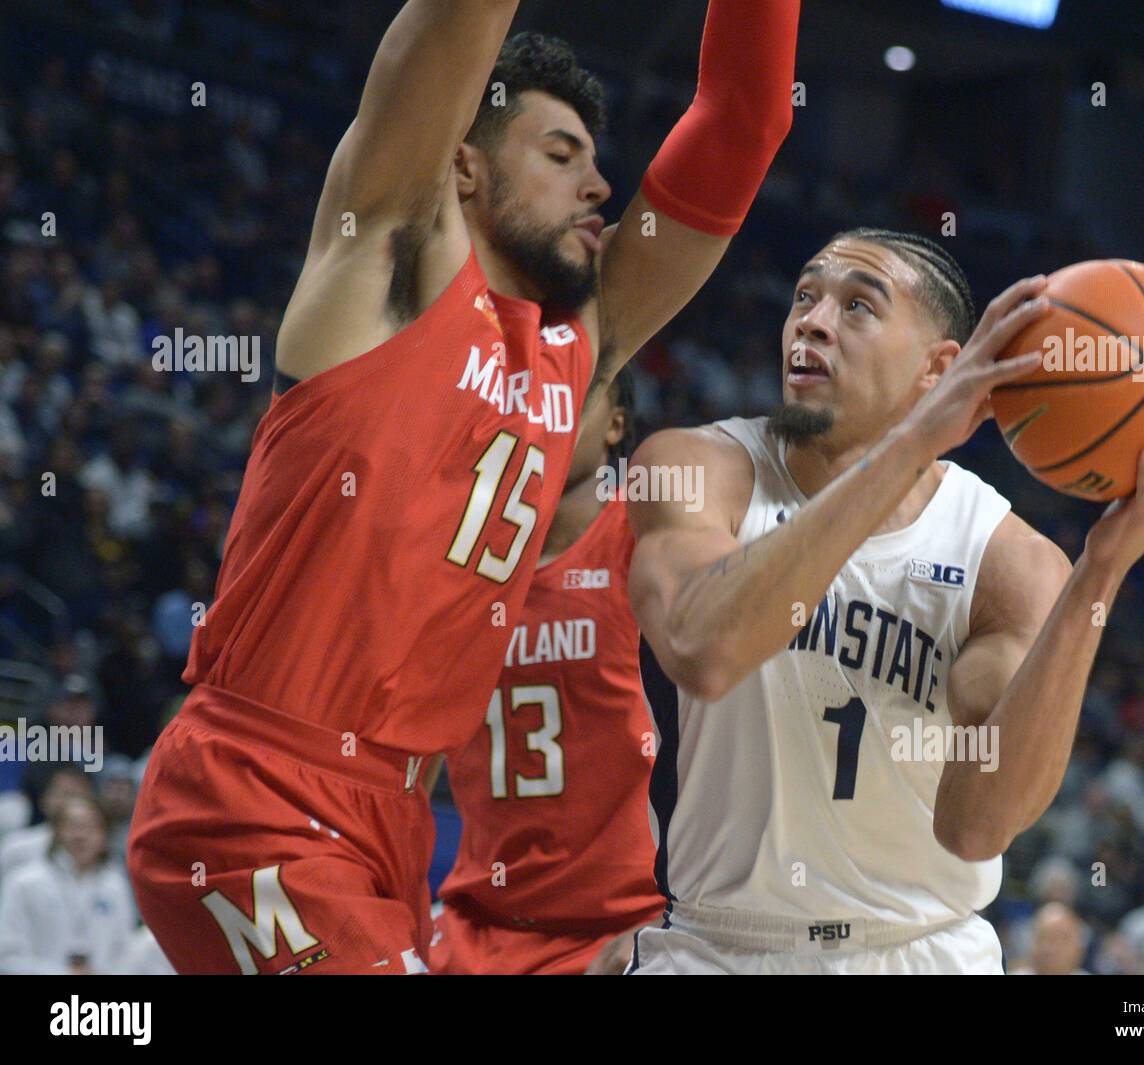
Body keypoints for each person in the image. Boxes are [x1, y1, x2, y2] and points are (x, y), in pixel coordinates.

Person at [129, 0, 800, 974]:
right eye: (561, 153)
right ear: (464, 166)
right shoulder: (384, 258)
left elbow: (745, 119)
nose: (600, 185)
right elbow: (452, 24)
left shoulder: (580, 348)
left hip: (392, 819)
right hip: (251, 798)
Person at [623, 227, 1144, 974]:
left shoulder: (1005, 561)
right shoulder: (697, 469)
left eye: (858, 306)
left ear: (939, 370)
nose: (812, 320)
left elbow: (979, 824)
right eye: (806, 296)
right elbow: (704, 650)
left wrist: (1100, 573)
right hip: (717, 947)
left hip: (922, 950)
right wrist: (910, 443)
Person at [430, 375, 663, 974]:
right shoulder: (449, 562)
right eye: (527, 399)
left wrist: (678, 919)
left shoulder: (648, 541)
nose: (546, 417)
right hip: (477, 928)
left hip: (630, 927)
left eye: (574, 397)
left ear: (616, 425)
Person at [0, 796, 136, 975]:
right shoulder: (24, 882)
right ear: (55, 832)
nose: (81, 836)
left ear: (104, 835)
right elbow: (6, 957)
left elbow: (126, 952)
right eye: (73, 826)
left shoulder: (115, 884)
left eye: (90, 827)